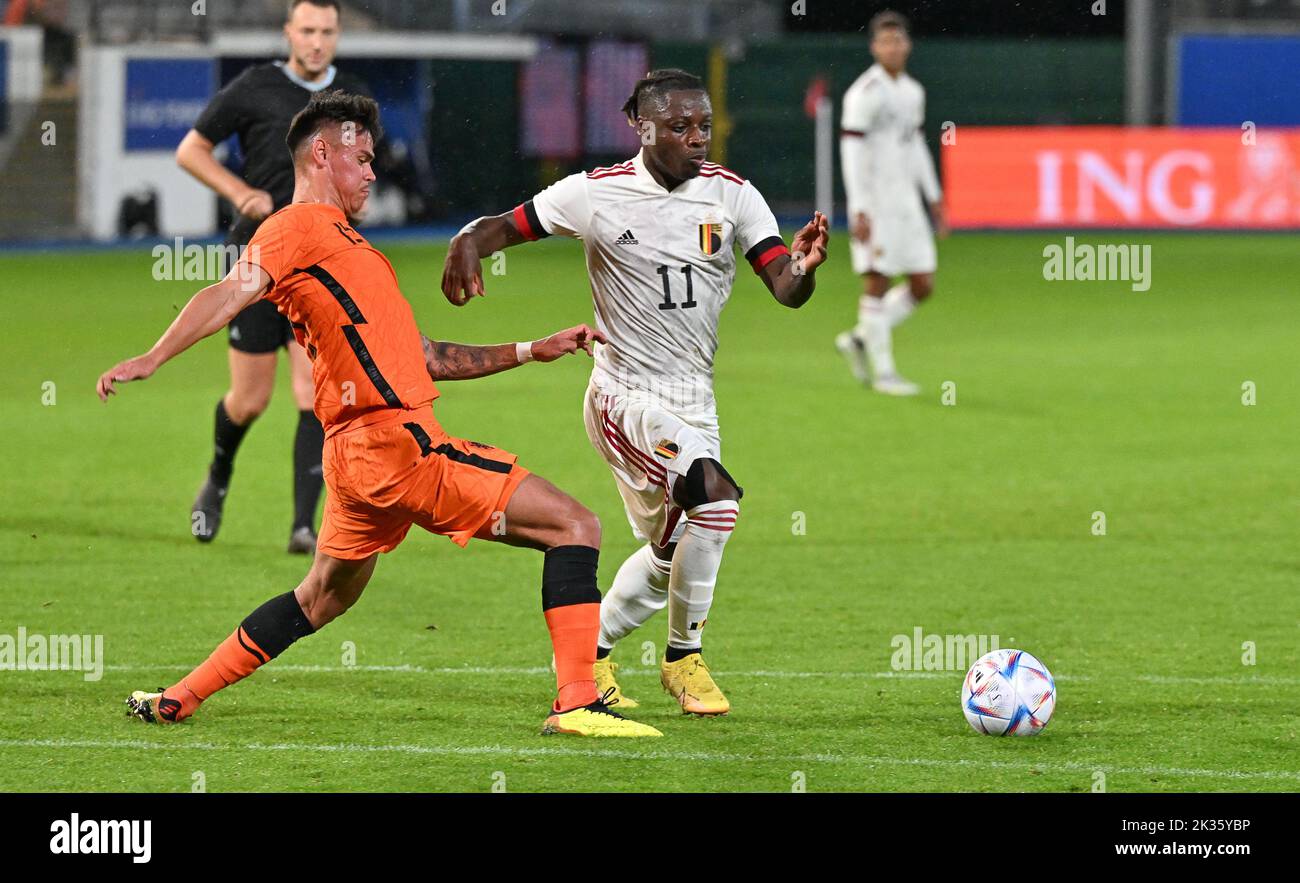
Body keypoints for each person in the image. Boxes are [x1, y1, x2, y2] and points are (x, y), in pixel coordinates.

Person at [99, 90, 660, 738]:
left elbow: (425, 356)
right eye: (361, 158)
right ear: (320, 152)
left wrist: (532, 348)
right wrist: (154, 355)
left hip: (357, 459)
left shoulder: (352, 252)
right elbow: (231, 289)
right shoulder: (295, 227)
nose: (372, 172)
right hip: (398, 447)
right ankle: (577, 702)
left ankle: (179, 697)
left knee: (319, 598)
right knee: (575, 525)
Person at [442, 69, 829, 715]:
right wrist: (465, 242)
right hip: (623, 393)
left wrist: (806, 268)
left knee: (677, 543)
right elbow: (502, 226)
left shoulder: (732, 196)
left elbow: (784, 287)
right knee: (716, 497)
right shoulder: (596, 194)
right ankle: (684, 659)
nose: (697, 137)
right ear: (642, 128)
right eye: (680, 126)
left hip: (694, 398)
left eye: (703, 124)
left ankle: (590, 652)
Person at [177, 0, 376, 552]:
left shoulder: (350, 99)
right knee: (250, 399)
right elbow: (191, 151)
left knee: (312, 393)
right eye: (307, 30)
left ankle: (302, 526)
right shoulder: (255, 86)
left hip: (321, 262)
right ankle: (218, 477)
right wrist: (240, 193)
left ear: (337, 36)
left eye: (327, 32)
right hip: (259, 256)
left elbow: (360, 169)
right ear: (289, 31)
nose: (317, 41)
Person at [835, 10, 947, 396]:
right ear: (874, 48)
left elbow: (915, 146)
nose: (893, 47)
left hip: (907, 203)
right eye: (885, 41)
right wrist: (859, 209)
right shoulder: (864, 94)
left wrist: (933, 198)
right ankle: (883, 373)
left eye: (898, 40)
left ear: (908, 45)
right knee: (877, 280)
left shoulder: (913, 91)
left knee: (923, 283)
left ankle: (860, 340)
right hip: (876, 203)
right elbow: (851, 153)